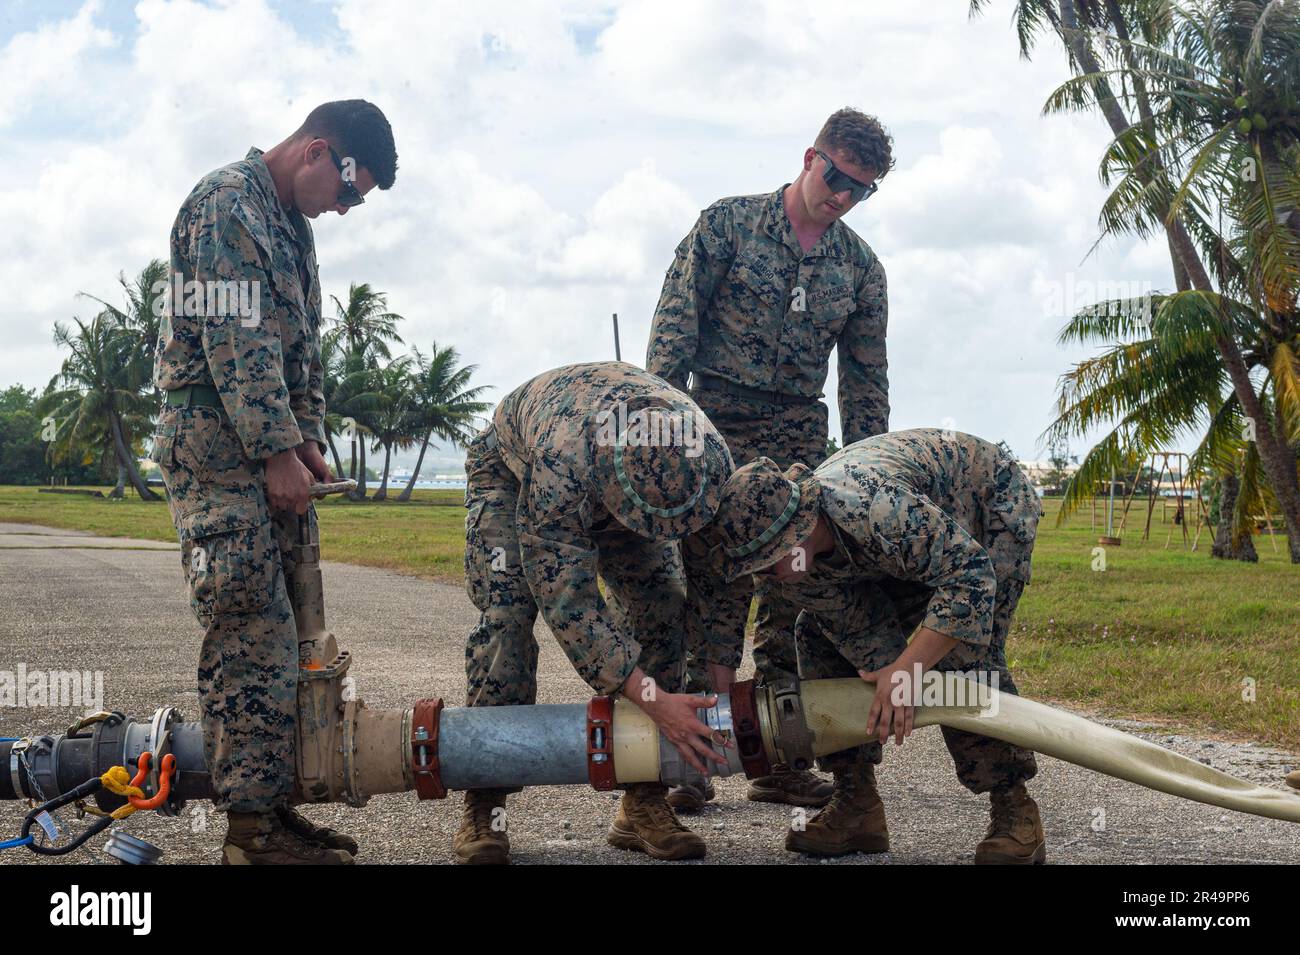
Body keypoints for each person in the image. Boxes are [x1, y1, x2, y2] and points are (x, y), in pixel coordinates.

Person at [152, 100, 397, 864]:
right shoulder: (227, 204)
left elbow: (304, 353)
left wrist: (309, 441)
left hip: (273, 449)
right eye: (350, 191)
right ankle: (248, 834)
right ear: (319, 151)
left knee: (295, 632)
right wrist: (272, 449)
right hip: (219, 449)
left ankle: (279, 806)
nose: (347, 208)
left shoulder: (294, 231)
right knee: (249, 623)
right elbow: (235, 338)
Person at [646, 107, 893, 811]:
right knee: (709, 589)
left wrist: (867, 470)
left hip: (797, 446)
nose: (842, 196)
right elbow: (672, 334)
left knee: (792, 596)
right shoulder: (726, 226)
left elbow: (866, 383)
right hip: (715, 429)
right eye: (837, 176)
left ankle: (778, 757)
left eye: (861, 189)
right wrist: (667, 438)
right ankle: (690, 756)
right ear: (810, 156)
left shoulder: (860, 268)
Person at [707, 429, 1046, 864]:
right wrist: (891, 671)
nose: (763, 579)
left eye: (766, 563)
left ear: (797, 534)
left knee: (962, 656)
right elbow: (862, 631)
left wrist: (908, 670)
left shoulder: (874, 509)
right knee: (817, 636)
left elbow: (970, 577)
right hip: (905, 549)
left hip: (988, 503)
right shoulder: (795, 570)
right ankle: (856, 803)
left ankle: (1014, 810)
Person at [457, 361, 745, 864]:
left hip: (614, 474)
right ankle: (485, 799)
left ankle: (644, 800)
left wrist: (718, 676)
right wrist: (650, 697)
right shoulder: (561, 464)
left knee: (662, 604)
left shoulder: (706, 457)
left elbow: (717, 575)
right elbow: (568, 602)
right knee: (506, 617)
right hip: (510, 471)